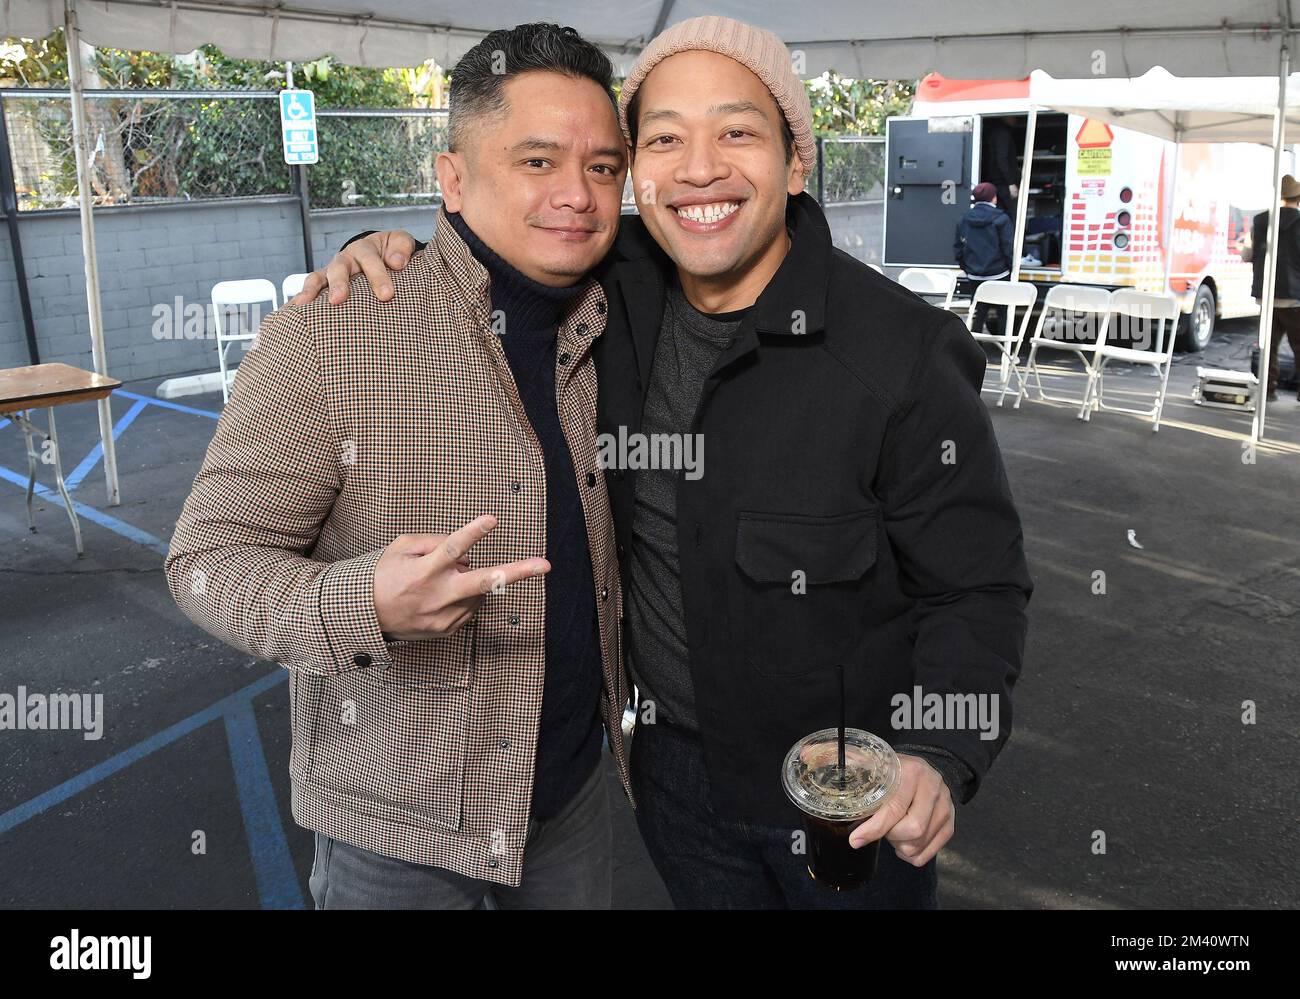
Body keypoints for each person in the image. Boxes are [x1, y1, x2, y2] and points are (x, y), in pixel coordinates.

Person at [301, 14, 1033, 910]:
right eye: (663, 140)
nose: (699, 169)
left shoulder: (903, 353)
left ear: (796, 161)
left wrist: (940, 755)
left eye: (737, 132)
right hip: (674, 785)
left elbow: (980, 589)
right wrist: (388, 251)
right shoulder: (612, 287)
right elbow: (505, 218)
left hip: (848, 797)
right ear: (638, 170)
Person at [165, 23, 632, 909]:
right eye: (537, 161)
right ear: (451, 175)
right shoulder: (331, 331)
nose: (578, 194)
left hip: (570, 800)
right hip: (393, 832)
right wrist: (361, 603)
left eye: (604, 167)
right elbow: (204, 562)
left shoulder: (620, 314)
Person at [1240, 173, 1300, 402]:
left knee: (1268, 347)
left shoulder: (1260, 220)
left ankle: (1268, 390)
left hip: (1266, 295)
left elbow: (1247, 254)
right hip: (1295, 298)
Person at [954, 181, 1015, 338]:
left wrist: (967, 268)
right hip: (999, 274)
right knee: (1003, 312)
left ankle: (975, 349)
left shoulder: (964, 219)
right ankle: (1004, 347)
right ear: (994, 198)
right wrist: (1010, 268)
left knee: (978, 312)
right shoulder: (1002, 218)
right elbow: (1008, 248)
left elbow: (958, 248)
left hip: (974, 275)